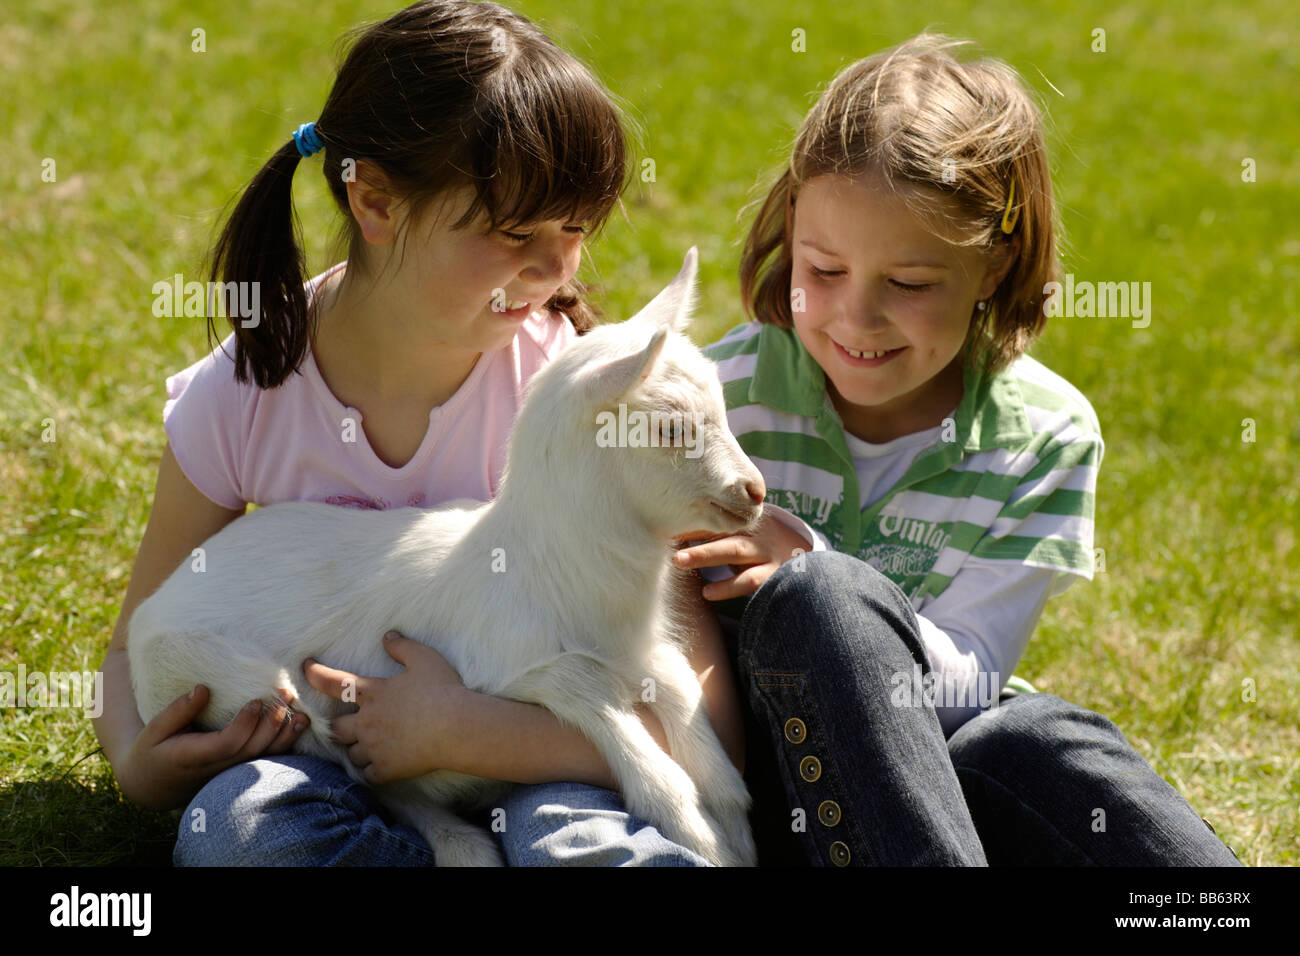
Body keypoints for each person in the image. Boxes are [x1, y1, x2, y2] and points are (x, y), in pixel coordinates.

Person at [502, 32, 1241, 866]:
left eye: (912, 284)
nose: (856, 318)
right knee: (819, 600)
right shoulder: (719, 398)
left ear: (993, 267)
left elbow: (972, 678)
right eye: (822, 269)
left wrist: (815, 566)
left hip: (923, 779)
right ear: (789, 230)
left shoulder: (1048, 435)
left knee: (1040, 735)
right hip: (757, 782)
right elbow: (640, 624)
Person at [90, 0, 745, 866]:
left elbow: (673, 674)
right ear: (375, 202)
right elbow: (137, 642)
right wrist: (140, 764)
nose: (556, 270)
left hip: (533, 739)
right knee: (242, 828)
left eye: (576, 230)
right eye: (517, 233)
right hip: (318, 750)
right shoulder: (244, 393)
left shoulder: (572, 391)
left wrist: (475, 736)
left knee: (575, 833)